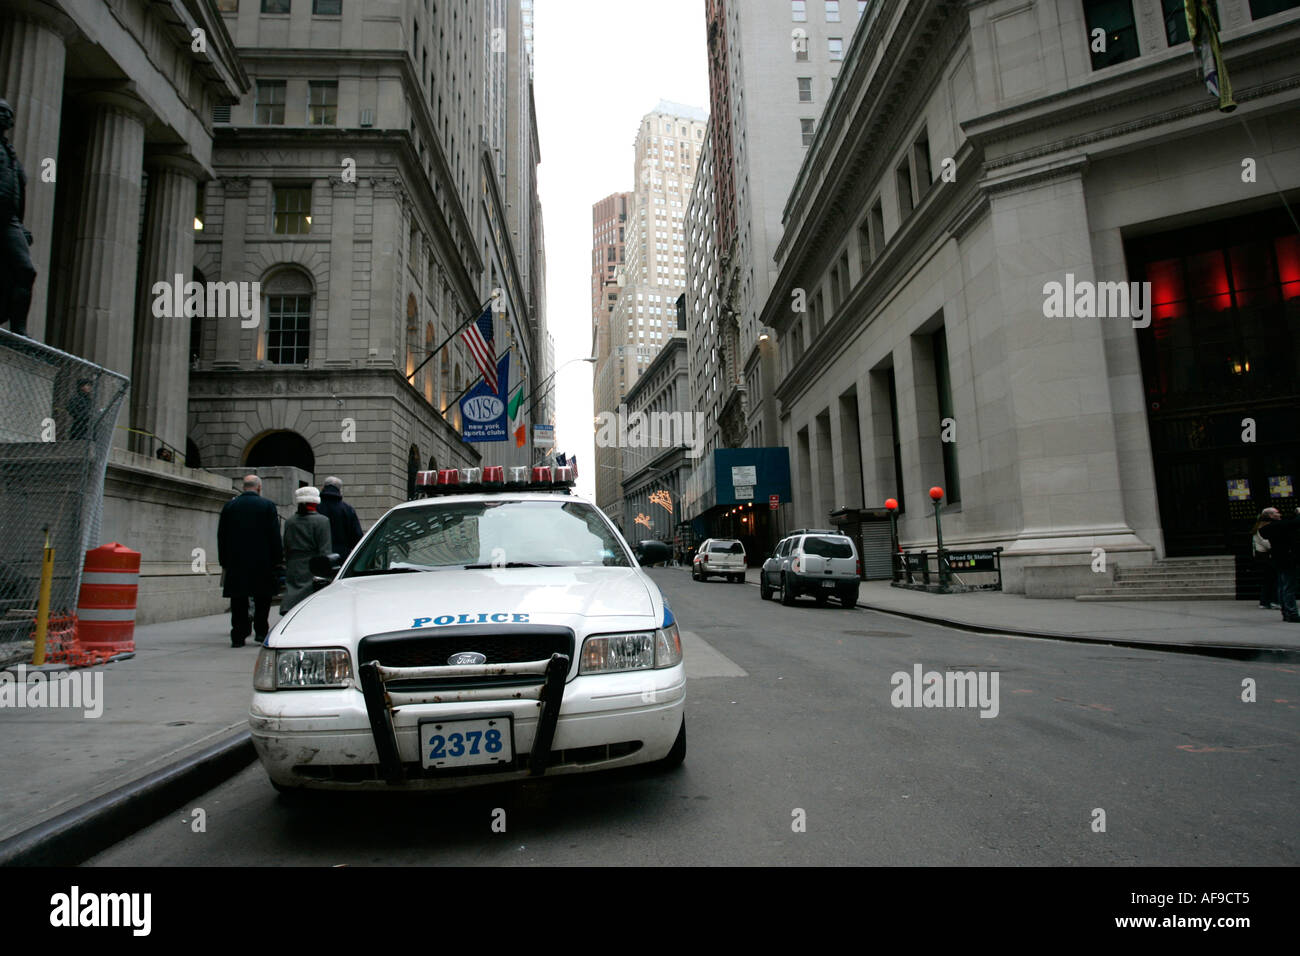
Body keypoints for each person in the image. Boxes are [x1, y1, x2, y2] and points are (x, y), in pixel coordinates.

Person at [217, 475, 283, 647]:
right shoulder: (267, 506)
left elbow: (221, 536)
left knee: (238, 599)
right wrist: (278, 559)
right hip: (263, 561)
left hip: (236, 560)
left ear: (244, 487)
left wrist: (223, 560)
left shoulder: (230, 506)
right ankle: (261, 631)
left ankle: (238, 634)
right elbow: (274, 535)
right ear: (259, 487)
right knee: (263, 598)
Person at [0, 98, 35, 338]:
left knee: (26, 270)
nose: (4, 116)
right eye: (0, 111)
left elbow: (17, 192)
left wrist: (21, 226)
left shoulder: (12, 156)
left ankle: (19, 329)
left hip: (9, 221)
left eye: (7, 113)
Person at [281, 486, 332, 614]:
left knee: (292, 593)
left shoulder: (290, 521)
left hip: (294, 563)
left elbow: (286, 544)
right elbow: (325, 549)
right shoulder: (322, 521)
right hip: (313, 565)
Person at [1259, 507, 1300, 623]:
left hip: (1278, 559)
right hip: (1287, 558)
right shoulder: (1278, 526)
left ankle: (1286, 612)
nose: (1280, 513)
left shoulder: (1269, 528)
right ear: (1271, 515)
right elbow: (1295, 523)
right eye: (1277, 512)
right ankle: (1291, 613)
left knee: (1282, 586)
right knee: (1288, 587)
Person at [316, 476, 363, 559]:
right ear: (340, 489)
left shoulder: (316, 507)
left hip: (317, 557)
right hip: (341, 556)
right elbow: (357, 536)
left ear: (323, 487)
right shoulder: (347, 509)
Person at [1251, 510, 1278, 610]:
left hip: (1261, 557)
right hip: (1265, 557)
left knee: (1267, 580)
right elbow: (1266, 543)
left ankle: (1265, 601)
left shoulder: (1257, 529)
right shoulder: (1261, 529)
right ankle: (1271, 600)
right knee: (1271, 579)